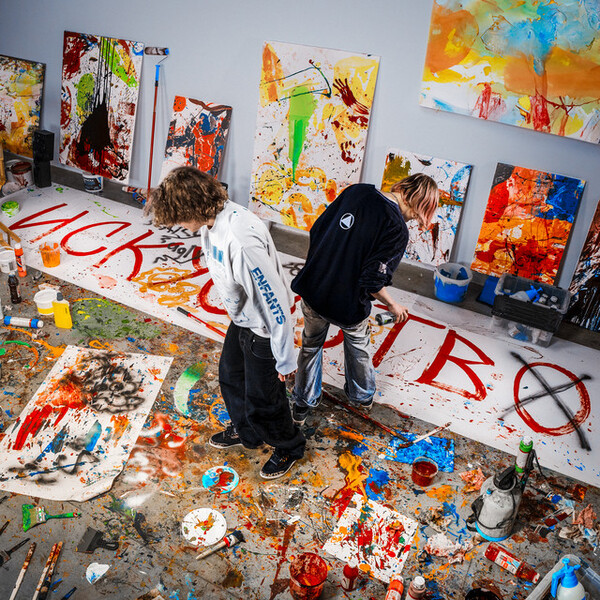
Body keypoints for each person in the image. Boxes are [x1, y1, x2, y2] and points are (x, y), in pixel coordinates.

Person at [147, 167, 305, 479]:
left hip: (263, 328)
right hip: (242, 319)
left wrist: (285, 359)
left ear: (192, 207)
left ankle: (288, 446)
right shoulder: (210, 222)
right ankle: (248, 432)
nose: (179, 226)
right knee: (231, 377)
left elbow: (275, 303)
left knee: (264, 397)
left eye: (179, 218)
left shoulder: (240, 240)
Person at [290, 175, 439, 424]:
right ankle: (361, 396)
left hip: (314, 288)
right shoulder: (396, 228)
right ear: (415, 201)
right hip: (346, 304)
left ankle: (302, 403)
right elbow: (372, 282)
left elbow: (318, 230)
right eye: (419, 212)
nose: (414, 218)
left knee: (311, 345)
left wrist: (324, 265)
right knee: (358, 347)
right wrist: (392, 305)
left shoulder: (356, 192)